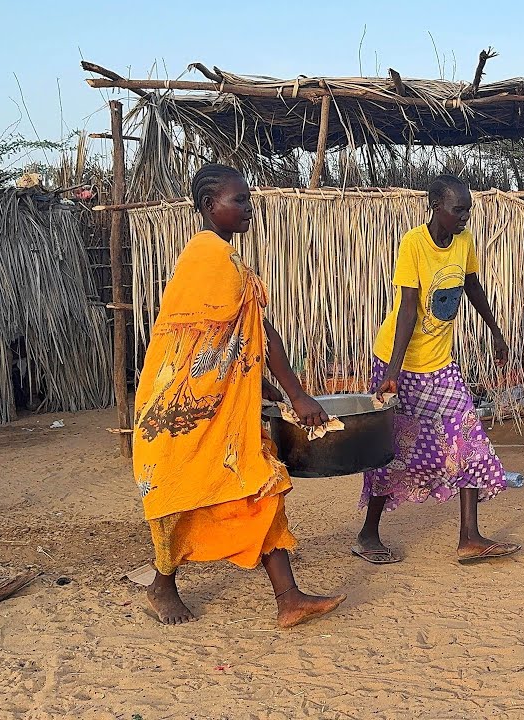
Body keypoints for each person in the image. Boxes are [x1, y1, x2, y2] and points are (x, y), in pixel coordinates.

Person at [132, 163, 344, 627]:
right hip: (180, 410)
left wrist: (270, 390)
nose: (250, 208)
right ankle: (161, 585)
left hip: (221, 410)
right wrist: (297, 393)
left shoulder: (223, 259)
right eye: (239, 200)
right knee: (177, 498)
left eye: (248, 199)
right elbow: (246, 338)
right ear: (210, 206)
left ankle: (289, 599)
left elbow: (242, 338)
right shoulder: (209, 258)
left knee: (259, 485)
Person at [353, 174, 521, 565]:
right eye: (457, 209)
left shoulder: (462, 241)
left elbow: (471, 285)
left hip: (440, 364)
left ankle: (470, 537)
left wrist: (495, 330)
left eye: (467, 209)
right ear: (436, 207)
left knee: (469, 439)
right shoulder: (414, 243)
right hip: (402, 363)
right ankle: (368, 533)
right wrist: (392, 372)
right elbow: (408, 308)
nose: (464, 217)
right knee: (393, 448)